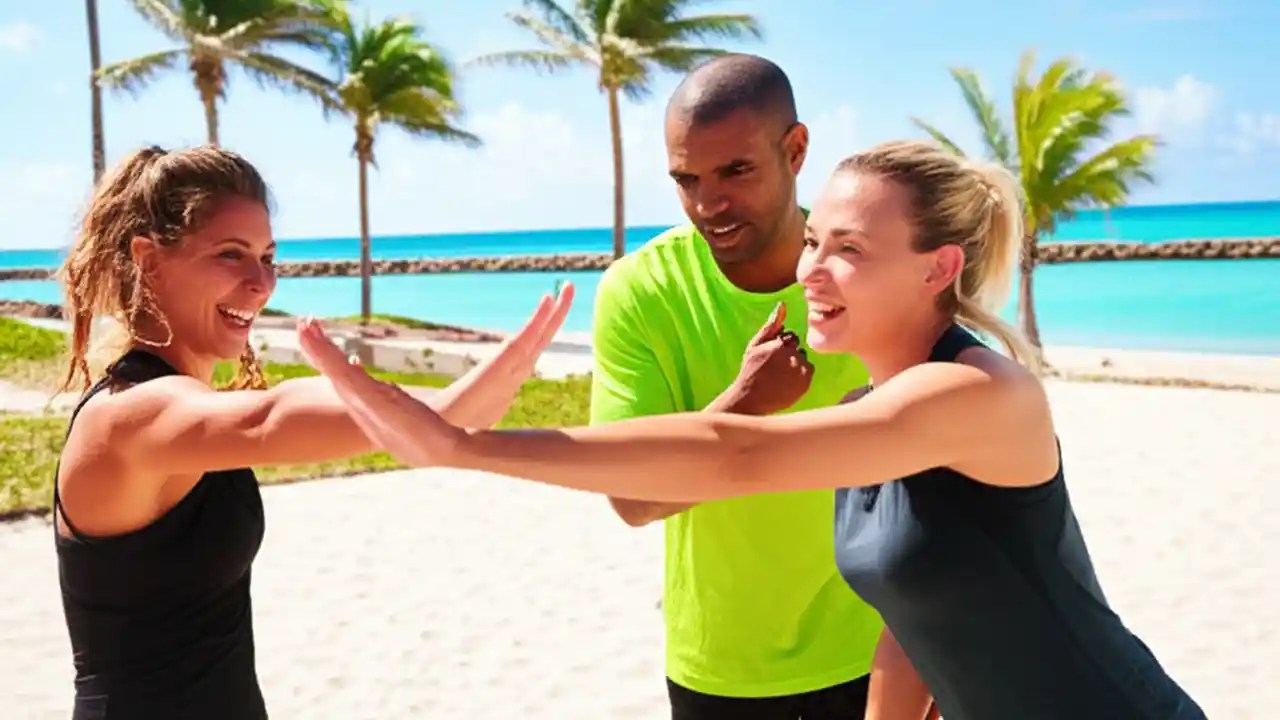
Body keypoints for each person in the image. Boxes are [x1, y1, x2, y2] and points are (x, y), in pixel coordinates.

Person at [297, 139, 1208, 720]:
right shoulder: (867, 417)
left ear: (939, 269)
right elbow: (911, 618)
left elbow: (739, 457)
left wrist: (466, 446)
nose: (813, 267)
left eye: (850, 249)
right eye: (817, 239)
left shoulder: (977, 394)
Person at [50, 144, 573, 720]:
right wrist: (449, 408)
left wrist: (459, 403)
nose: (261, 282)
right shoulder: (131, 416)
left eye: (268, 258)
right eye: (232, 255)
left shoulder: (183, 409)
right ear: (148, 260)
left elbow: (429, 420)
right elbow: (271, 417)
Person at [589, 53, 884, 718]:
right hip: (722, 669)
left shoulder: (869, 267)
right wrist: (744, 404)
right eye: (687, 179)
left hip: (883, 650)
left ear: (796, 149)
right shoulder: (641, 292)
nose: (708, 204)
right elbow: (631, 498)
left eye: (735, 172)